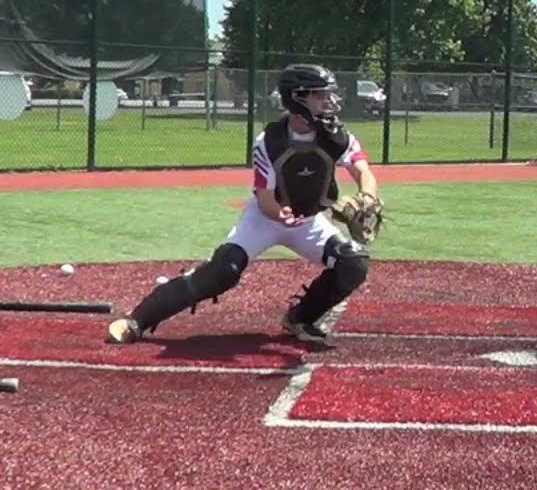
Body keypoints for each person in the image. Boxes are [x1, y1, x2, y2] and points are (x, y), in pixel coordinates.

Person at [106, 64, 379, 345]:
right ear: (297, 98)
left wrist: (367, 197)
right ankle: (136, 320)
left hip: (308, 221)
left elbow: (362, 171)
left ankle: (300, 318)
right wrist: (280, 213)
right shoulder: (270, 142)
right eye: (320, 95)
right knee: (223, 271)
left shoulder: (337, 136)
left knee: (353, 264)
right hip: (266, 219)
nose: (328, 102)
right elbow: (265, 199)